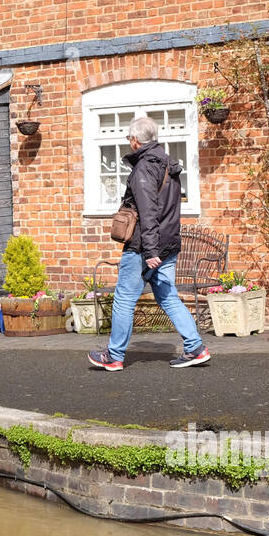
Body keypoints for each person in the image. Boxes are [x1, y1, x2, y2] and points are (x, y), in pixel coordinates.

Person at [88, 116, 211, 370]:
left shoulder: (144, 168)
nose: (129, 142)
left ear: (135, 141)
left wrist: (151, 250)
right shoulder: (169, 164)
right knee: (167, 296)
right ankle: (195, 347)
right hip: (168, 243)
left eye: (128, 138)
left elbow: (148, 211)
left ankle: (114, 356)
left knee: (123, 298)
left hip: (145, 247)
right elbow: (171, 209)